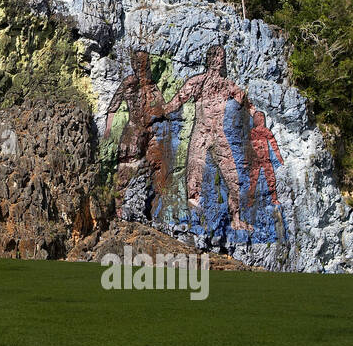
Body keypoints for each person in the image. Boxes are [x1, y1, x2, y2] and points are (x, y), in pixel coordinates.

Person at [161, 45, 252, 233]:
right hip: (201, 132)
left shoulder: (228, 85)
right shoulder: (198, 82)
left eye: (222, 57)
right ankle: (192, 217)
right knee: (194, 172)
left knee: (233, 177)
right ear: (209, 59)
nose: (219, 60)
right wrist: (161, 111)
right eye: (216, 57)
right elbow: (178, 99)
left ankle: (236, 218)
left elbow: (245, 101)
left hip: (219, 134)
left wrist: (255, 114)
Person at [104, 50, 171, 215]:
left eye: (144, 62)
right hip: (133, 131)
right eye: (139, 62)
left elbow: (163, 109)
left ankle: (149, 209)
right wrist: (107, 130)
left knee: (154, 170)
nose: (142, 65)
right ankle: (119, 209)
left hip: (149, 133)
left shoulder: (151, 86)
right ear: (134, 64)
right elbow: (113, 106)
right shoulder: (129, 83)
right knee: (125, 170)